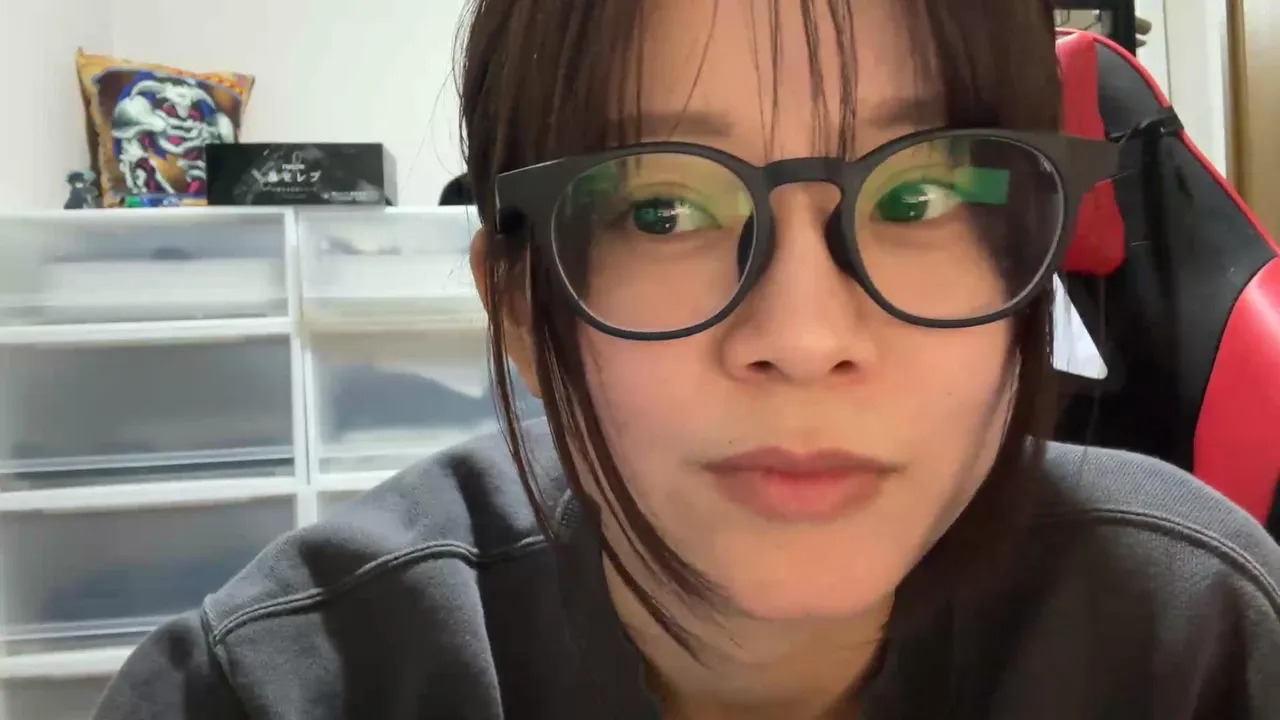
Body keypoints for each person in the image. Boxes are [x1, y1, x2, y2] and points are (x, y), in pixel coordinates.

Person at [94, 1, 1280, 719]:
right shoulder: (275, 691)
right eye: (661, 211)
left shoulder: (1189, 638)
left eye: (918, 194)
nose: (803, 341)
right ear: (520, 309)